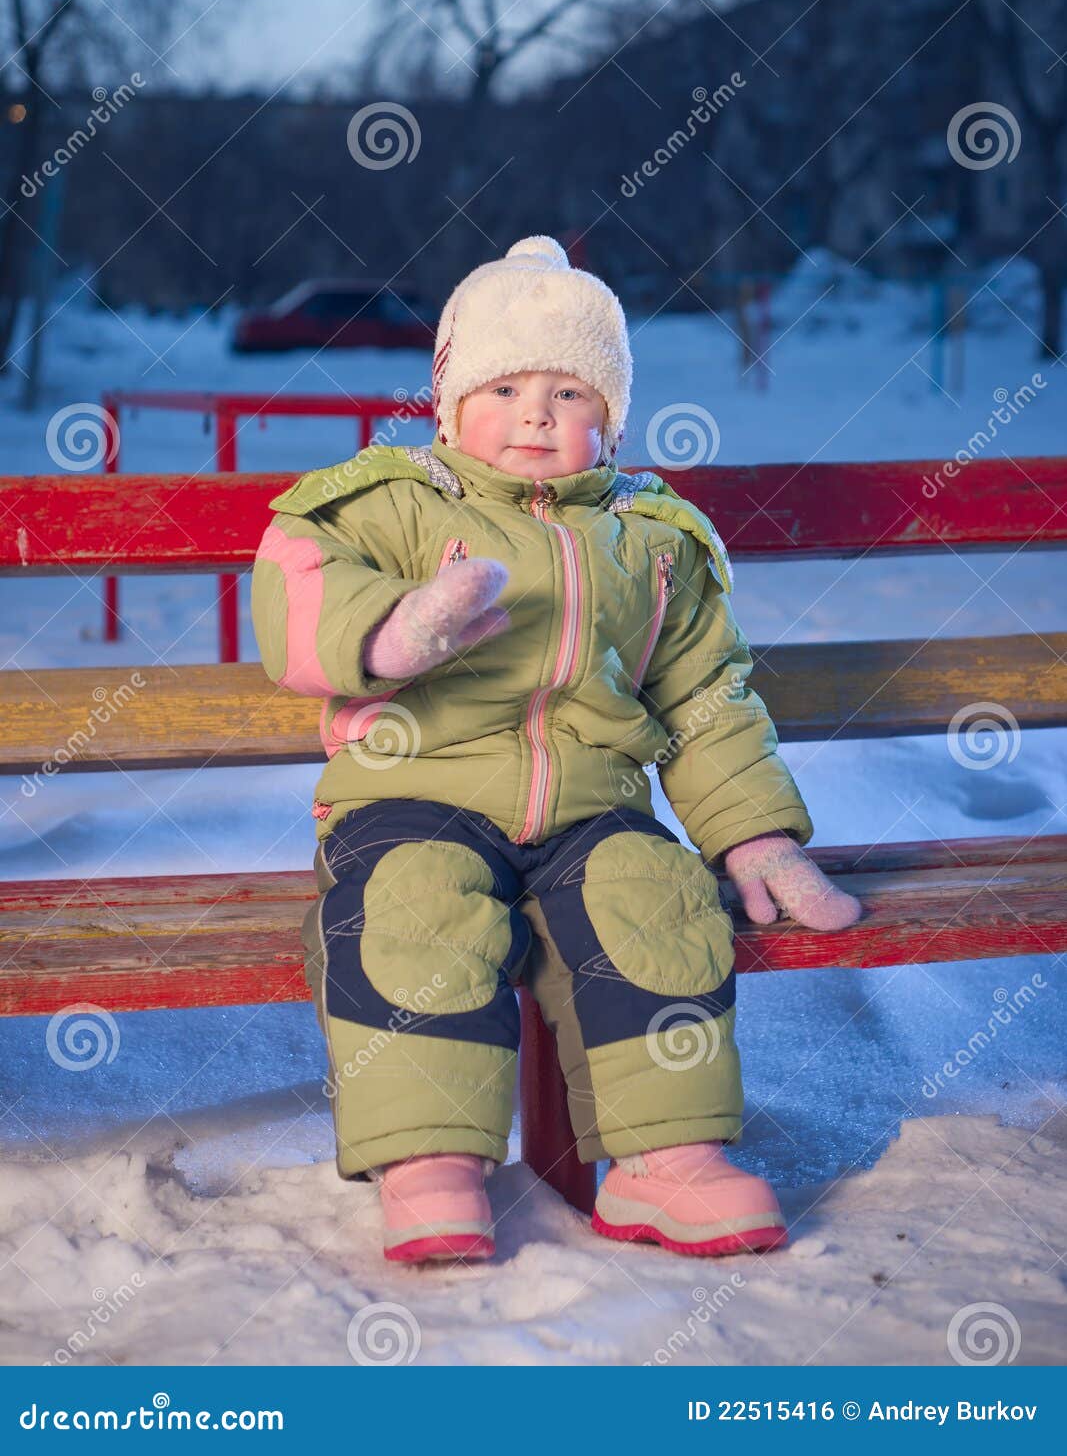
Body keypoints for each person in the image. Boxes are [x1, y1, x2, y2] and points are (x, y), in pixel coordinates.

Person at [251, 235, 861, 1266]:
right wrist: (397, 633)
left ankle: (673, 1160)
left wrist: (752, 836)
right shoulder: (389, 500)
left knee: (648, 893)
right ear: (448, 404)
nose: (535, 412)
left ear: (608, 419)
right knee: (414, 901)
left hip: (589, 805)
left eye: (569, 390)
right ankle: (431, 1162)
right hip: (414, 793)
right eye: (505, 385)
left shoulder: (650, 538)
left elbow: (704, 694)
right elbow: (295, 583)